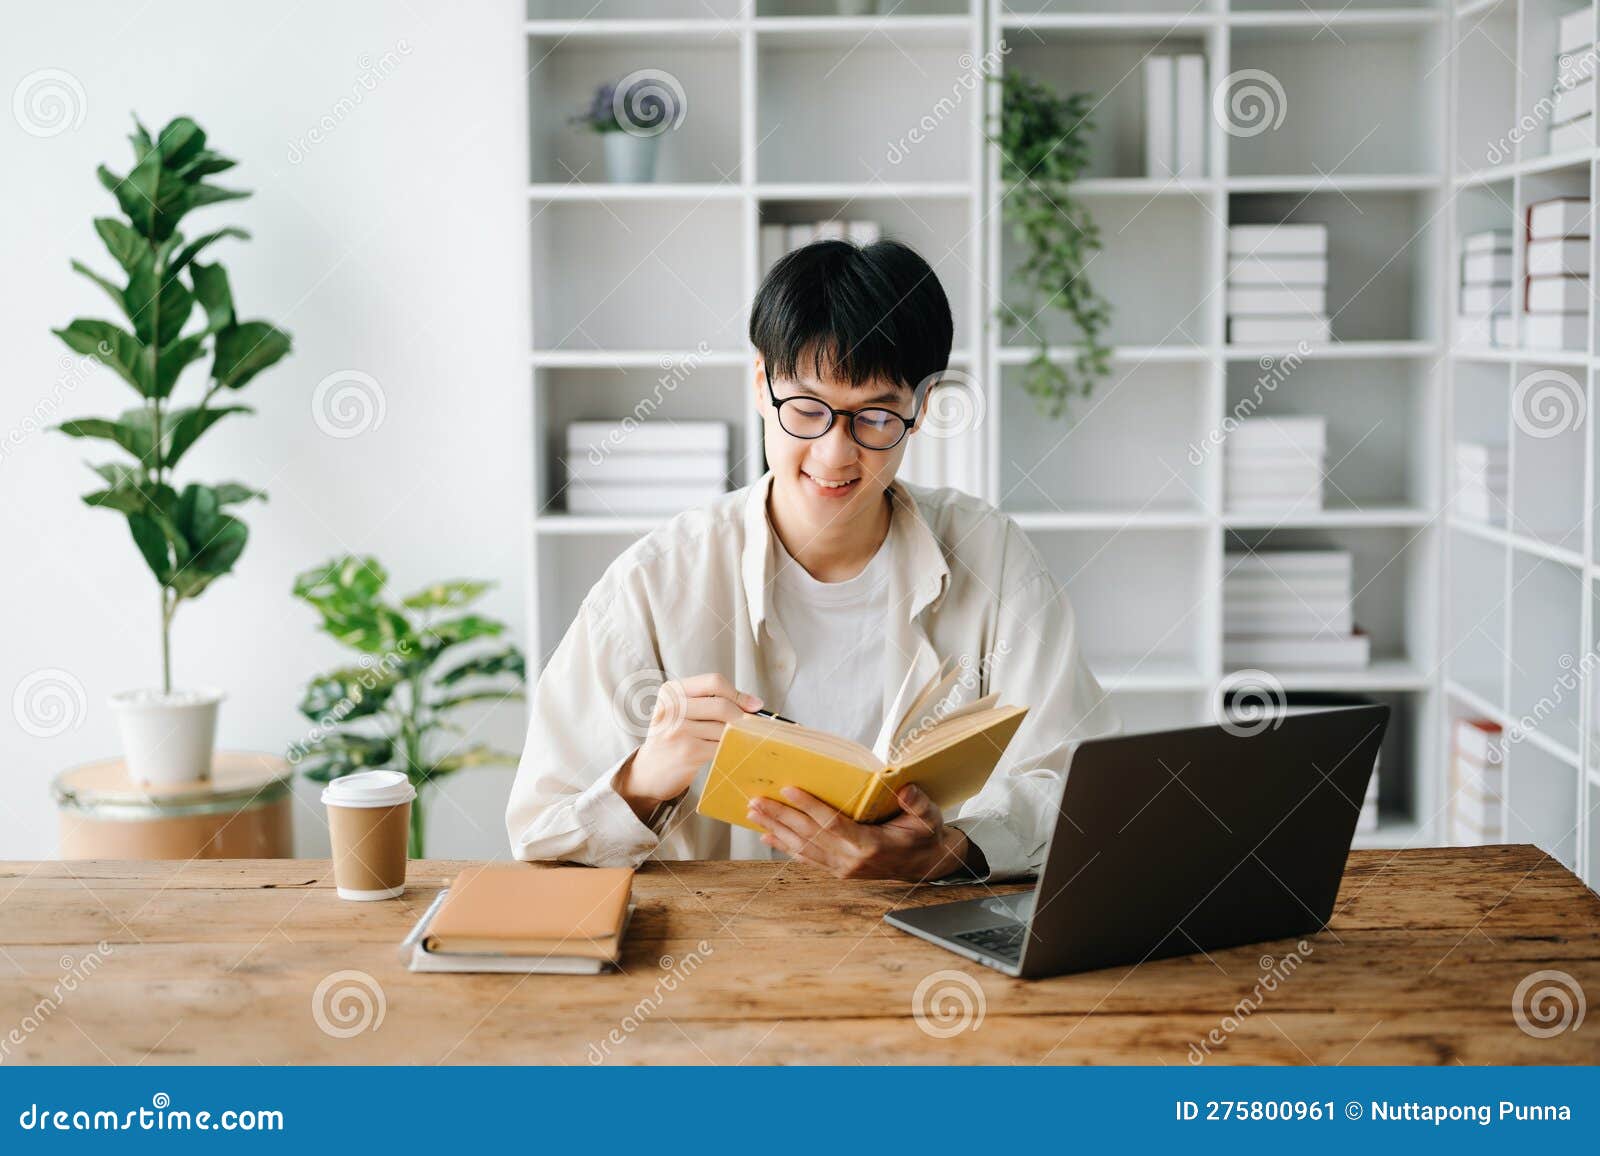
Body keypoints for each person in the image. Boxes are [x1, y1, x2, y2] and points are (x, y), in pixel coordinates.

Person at [505, 239, 1119, 882]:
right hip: (718, 939)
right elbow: (541, 833)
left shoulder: (993, 556)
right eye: (806, 410)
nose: (834, 454)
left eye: (875, 416)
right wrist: (644, 778)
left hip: (932, 926)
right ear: (759, 384)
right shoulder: (654, 581)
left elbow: (1084, 789)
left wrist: (952, 850)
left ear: (920, 409)